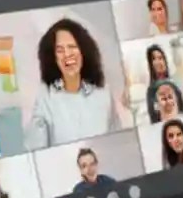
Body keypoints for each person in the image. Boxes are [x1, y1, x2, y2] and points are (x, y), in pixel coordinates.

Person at [26, 18, 121, 150]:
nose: (67, 54)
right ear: (53, 58)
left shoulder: (103, 93)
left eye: (72, 47)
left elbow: (116, 142)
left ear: (83, 51)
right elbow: (36, 148)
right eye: (60, 50)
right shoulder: (45, 97)